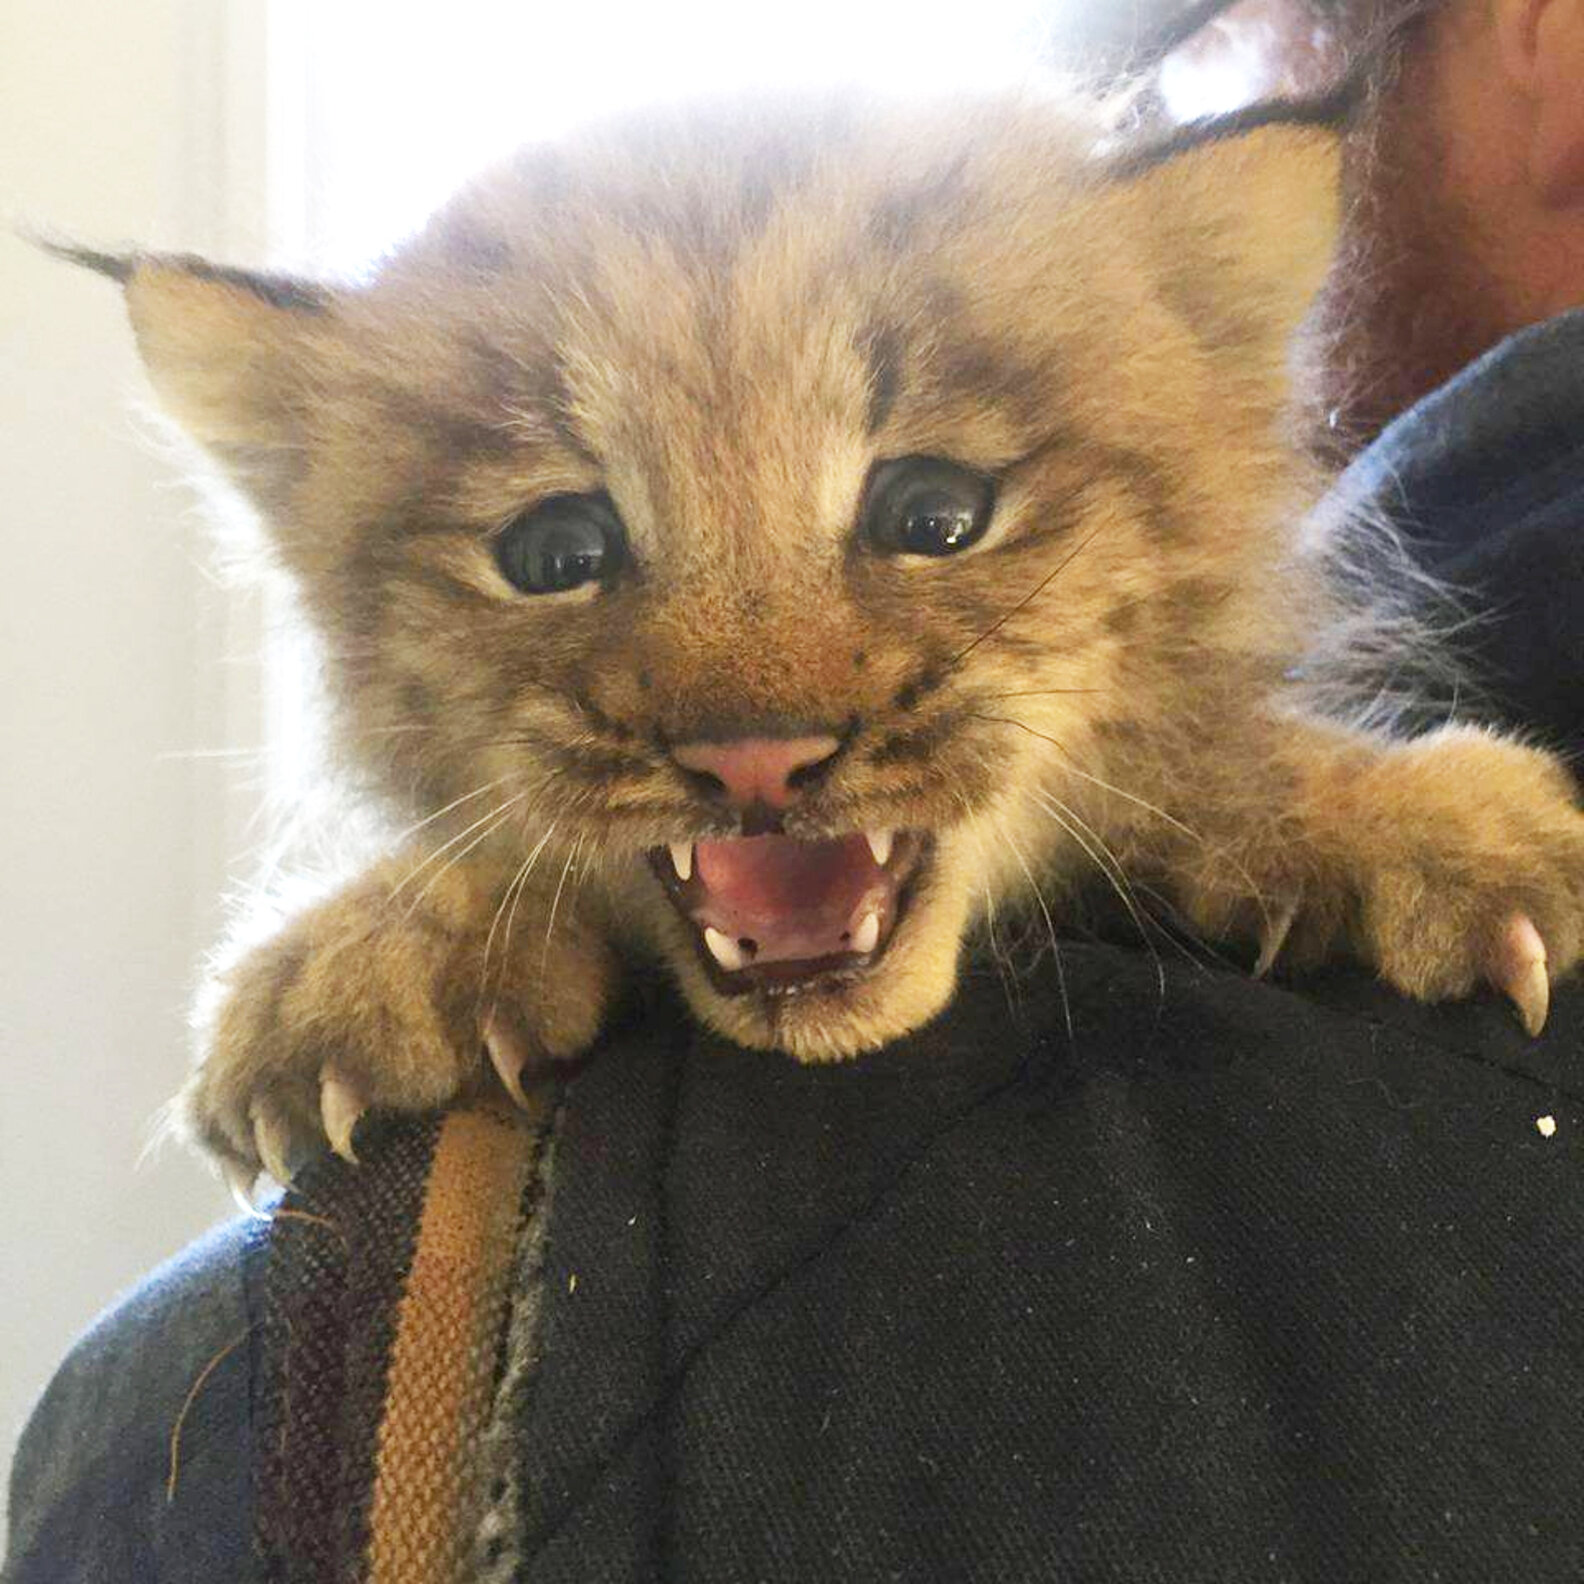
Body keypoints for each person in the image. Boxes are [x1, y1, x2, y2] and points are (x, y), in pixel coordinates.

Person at [8, 1, 1584, 1577]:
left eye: (934, 506)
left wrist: (1279, 801)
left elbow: (1189, 728)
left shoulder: (212, 1408)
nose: (754, 710)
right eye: (560, 549)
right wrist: (482, 896)